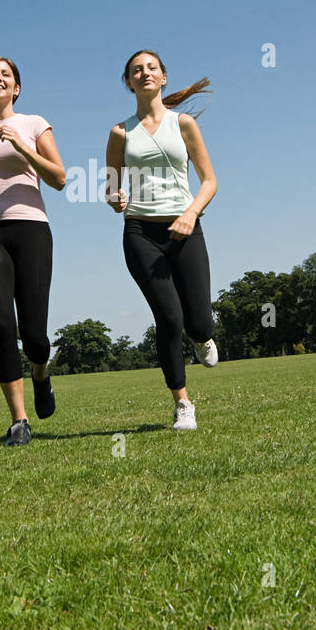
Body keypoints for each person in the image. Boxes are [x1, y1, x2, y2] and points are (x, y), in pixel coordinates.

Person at [104, 49, 218, 431]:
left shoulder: (183, 124)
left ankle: (201, 336)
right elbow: (112, 190)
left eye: (151, 67)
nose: (144, 73)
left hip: (185, 228)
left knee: (198, 320)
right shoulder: (120, 132)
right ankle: (182, 403)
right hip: (141, 232)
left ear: (163, 77)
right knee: (169, 317)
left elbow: (210, 182)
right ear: (129, 82)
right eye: (136, 70)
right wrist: (116, 197)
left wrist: (190, 214)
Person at [0, 56, 66, 445]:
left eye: (5, 74)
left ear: (16, 87)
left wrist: (23, 148)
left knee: (34, 335)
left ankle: (41, 371)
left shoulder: (34, 124)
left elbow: (59, 178)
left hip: (32, 230)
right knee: (2, 327)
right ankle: (19, 421)